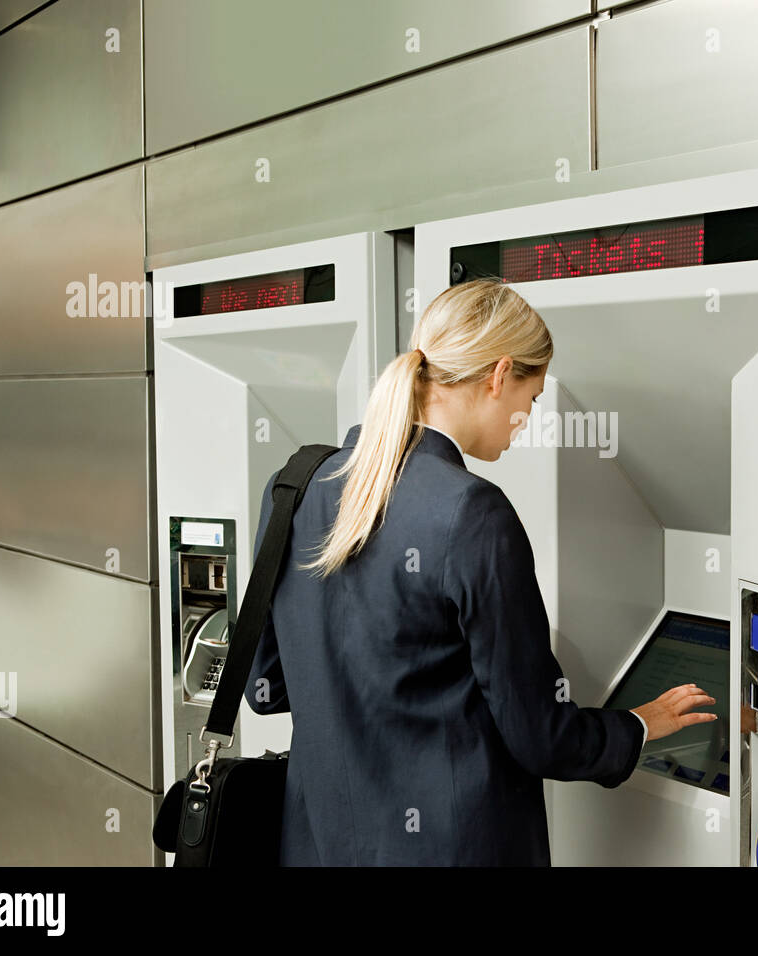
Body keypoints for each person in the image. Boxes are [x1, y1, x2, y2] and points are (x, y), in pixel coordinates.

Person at [244, 277, 716, 865]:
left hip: (317, 845)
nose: (527, 418)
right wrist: (637, 725)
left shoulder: (292, 486)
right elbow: (540, 738)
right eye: (533, 397)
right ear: (498, 375)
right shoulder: (472, 511)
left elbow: (267, 687)